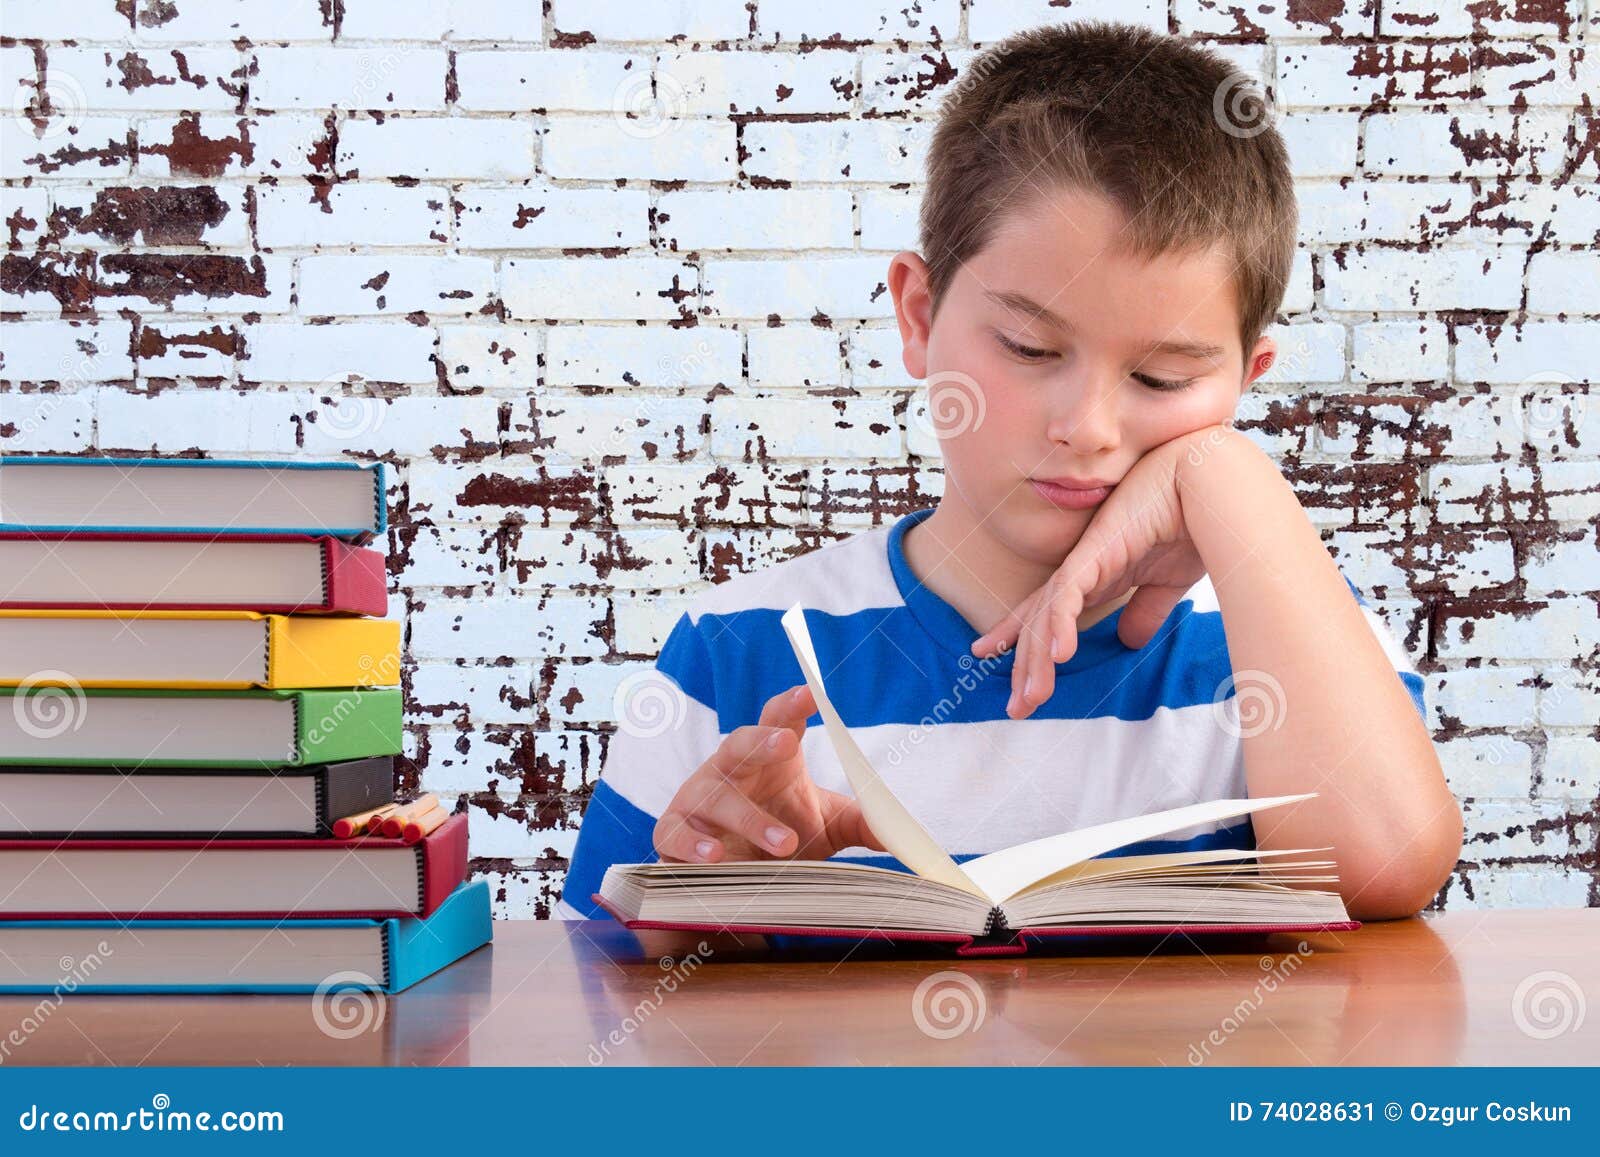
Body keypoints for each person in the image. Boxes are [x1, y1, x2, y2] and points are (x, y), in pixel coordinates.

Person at [557, 20, 1462, 942]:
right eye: (1030, 348)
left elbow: (1385, 869)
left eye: (1164, 380)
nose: (1088, 428)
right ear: (919, 315)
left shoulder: (1298, 640)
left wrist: (1227, 474)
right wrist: (699, 923)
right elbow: (588, 1003)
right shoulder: (733, 654)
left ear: (1243, 382)